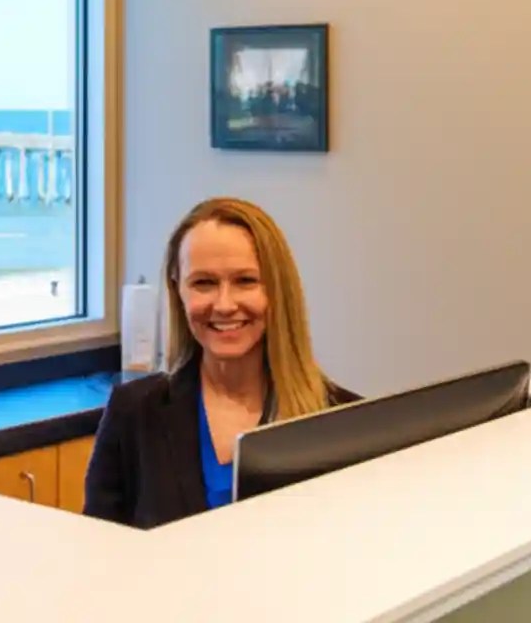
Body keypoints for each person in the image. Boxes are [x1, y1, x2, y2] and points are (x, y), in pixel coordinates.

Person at [83, 197, 359, 529]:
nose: (224, 305)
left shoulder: (343, 421)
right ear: (178, 290)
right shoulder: (135, 413)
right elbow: (98, 555)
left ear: (277, 291)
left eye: (245, 281)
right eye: (204, 283)